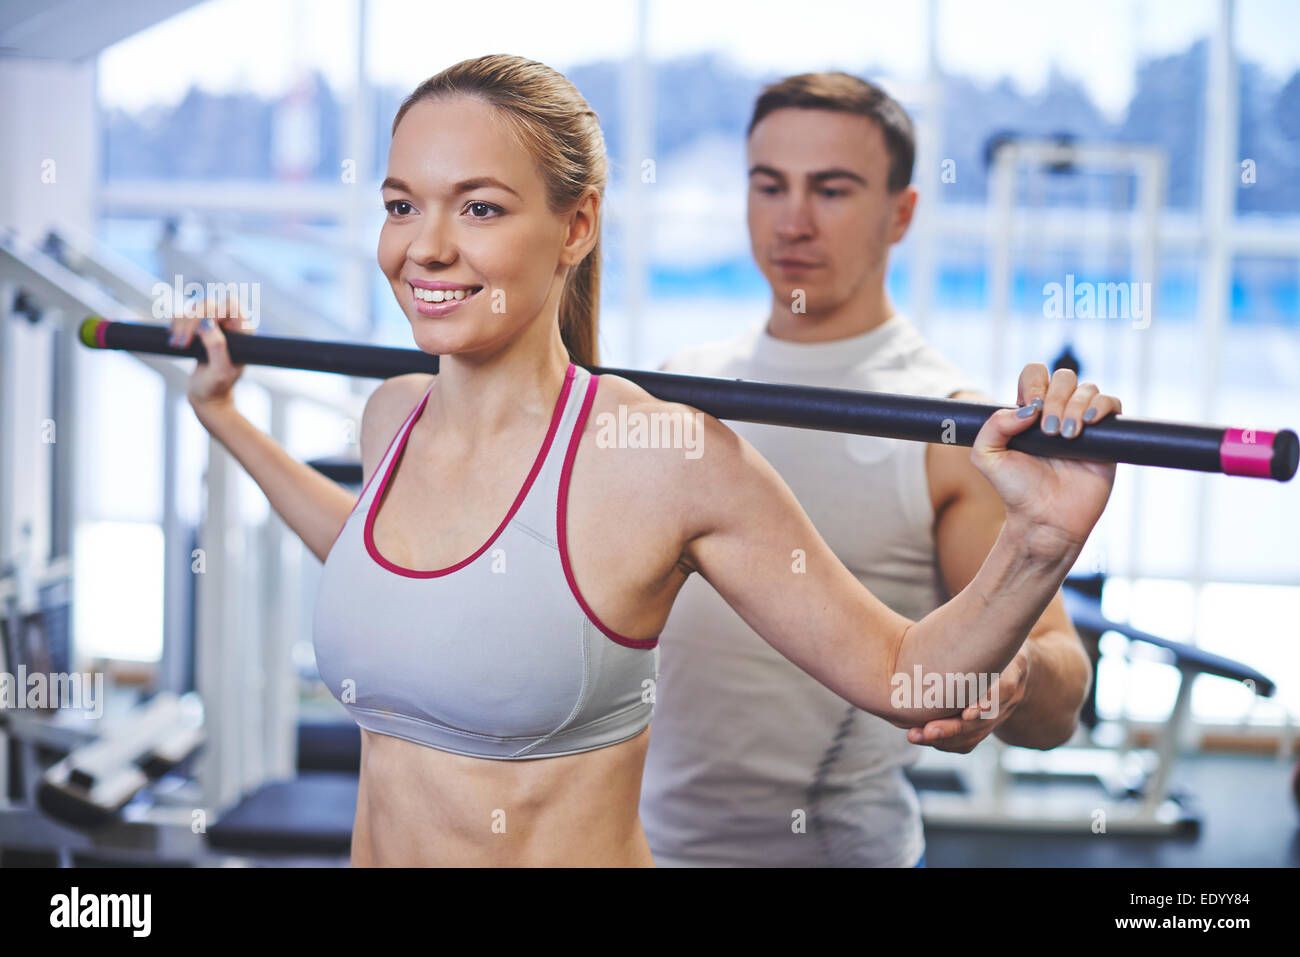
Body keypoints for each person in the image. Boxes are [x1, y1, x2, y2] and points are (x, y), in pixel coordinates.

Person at [168, 54, 1121, 867]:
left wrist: (1039, 539)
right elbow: (392, 568)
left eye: (482, 208)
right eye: (401, 203)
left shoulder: (666, 456)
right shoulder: (394, 417)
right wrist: (229, 420)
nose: (427, 246)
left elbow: (909, 673)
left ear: (575, 227)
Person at [639, 72, 1100, 868]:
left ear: (902, 213)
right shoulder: (681, 383)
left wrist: (1013, 672)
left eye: (833, 189)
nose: (793, 220)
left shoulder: (947, 422)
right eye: (769, 185)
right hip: (641, 852)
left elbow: (1062, 694)